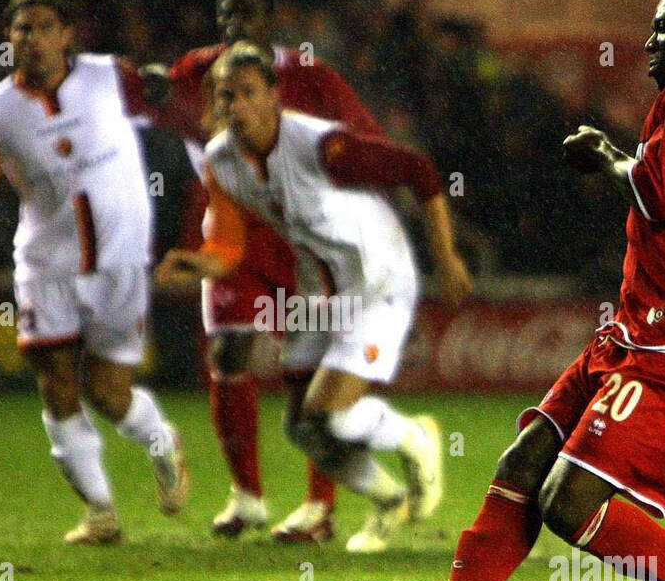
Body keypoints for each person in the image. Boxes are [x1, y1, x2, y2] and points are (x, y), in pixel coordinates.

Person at [342, 0, 665, 581]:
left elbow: (662, 193)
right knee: (523, 461)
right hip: (642, 334)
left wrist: (606, 155)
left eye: (664, 28)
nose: (649, 42)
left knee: (569, 503)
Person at [154, 42, 472, 553]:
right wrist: (194, 263)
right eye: (224, 95)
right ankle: (389, 499)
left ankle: (415, 436)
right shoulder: (221, 160)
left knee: (332, 412)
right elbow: (229, 246)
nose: (234, 106)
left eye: (248, 93)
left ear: (275, 96)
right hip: (319, 291)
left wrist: (447, 257)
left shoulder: (323, 148)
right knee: (303, 428)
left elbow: (419, 172)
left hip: (378, 282)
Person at [0, 0, 188, 545]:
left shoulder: (110, 76)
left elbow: (173, 99)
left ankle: (162, 443)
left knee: (107, 392)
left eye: (43, 27)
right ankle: (101, 512)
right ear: (8, 40)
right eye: (20, 29)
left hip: (121, 259)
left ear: (67, 35)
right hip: (46, 265)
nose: (31, 38)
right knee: (56, 384)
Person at [145, 0, 383, 543]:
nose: (236, 24)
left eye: (249, 14)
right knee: (229, 352)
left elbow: (365, 137)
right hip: (231, 230)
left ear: (273, 20)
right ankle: (246, 495)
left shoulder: (311, 75)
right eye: (228, 13)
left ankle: (319, 508)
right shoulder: (196, 72)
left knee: (305, 374)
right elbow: (164, 107)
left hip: (302, 239)